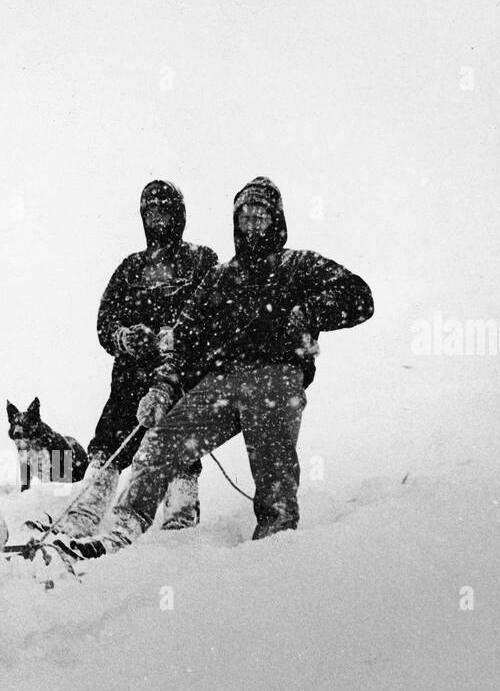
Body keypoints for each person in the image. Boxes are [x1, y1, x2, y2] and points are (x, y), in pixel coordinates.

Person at [55, 176, 372, 557]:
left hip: (276, 376)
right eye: (245, 217)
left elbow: (359, 296)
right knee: (162, 440)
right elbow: (184, 340)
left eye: (261, 216)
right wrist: (161, 387)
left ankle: (276, 542)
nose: (252, 225)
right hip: (221, 383)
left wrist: (309, 311)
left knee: (272, 459)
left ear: (277, 221)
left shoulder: (298, 264)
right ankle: (124, 527)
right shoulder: (222, 277)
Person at [50, 181, 218, 535]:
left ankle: (181, 511)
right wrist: (124, 338)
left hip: (181, 375)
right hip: (129, 376)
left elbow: (213, 316)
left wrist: (167, 339)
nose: (158, 221)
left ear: (179, 215)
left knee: (179, 441)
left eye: (164, 212)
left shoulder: (201, 260)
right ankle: (88, 508)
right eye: (151, 213)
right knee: (110, 438)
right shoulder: (130, 268)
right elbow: (105, 319)